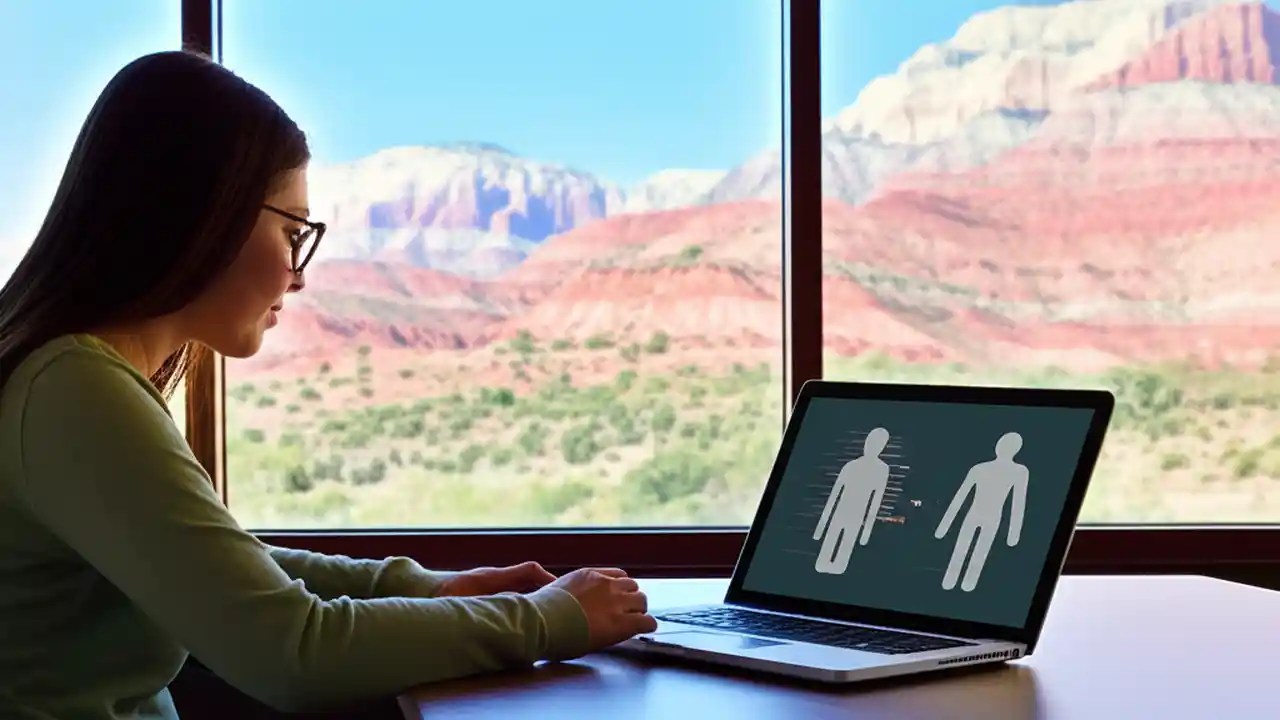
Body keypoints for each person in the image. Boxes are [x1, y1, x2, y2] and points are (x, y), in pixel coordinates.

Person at [0, 50, 656, 719]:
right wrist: (549, 619)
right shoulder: (73, 392)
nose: (299, 274)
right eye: (292, 231)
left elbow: (226, 568)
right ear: (204, 211)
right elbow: (292, 650)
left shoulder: (73, 380)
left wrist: (431, 589)